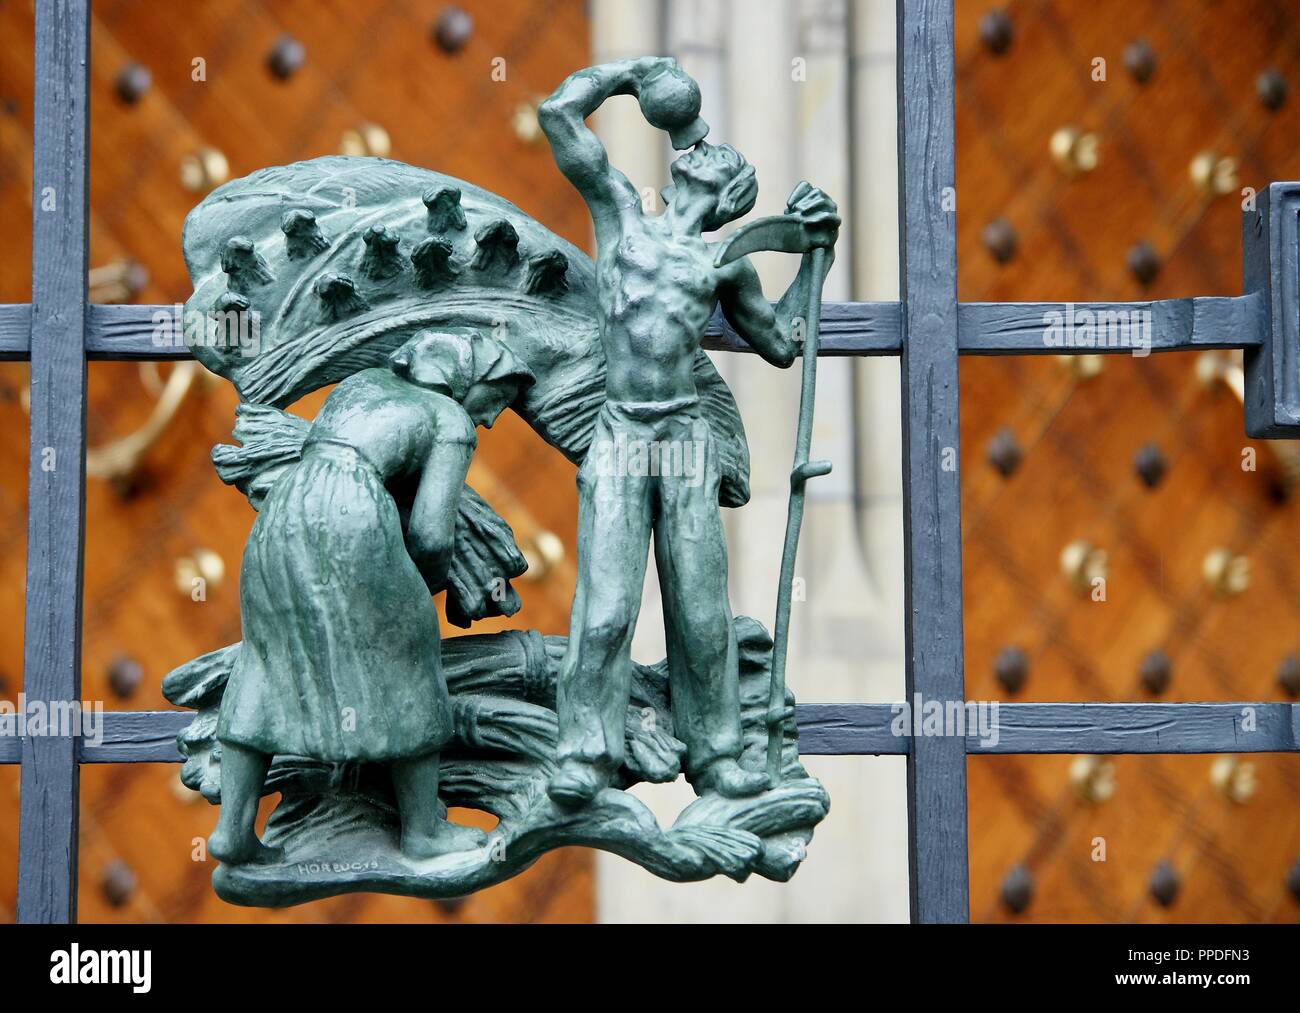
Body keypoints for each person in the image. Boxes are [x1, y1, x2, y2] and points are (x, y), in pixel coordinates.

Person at [538, 58, 840, 807]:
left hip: (682, 436)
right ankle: (586, 749)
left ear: (725, 189)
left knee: (701, 610)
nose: (692, 149)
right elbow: (557, 115)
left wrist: (813, 257)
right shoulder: (618, 217)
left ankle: (716, 755)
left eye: (708, 153)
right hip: (619, 434)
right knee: (606, 606)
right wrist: (633, 75)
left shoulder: (722, 266)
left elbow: (782, 341)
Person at [209, 329, 535, 864]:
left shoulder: (361, 385)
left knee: (265, 659)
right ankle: (423, 830)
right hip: (353, 516)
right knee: (410, 657)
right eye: (496, 396)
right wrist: (415, 588)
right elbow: (432, 534)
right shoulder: (449, 420)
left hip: (285, 516)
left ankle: (233, 829)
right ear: (462, 377)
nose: (493, 417)